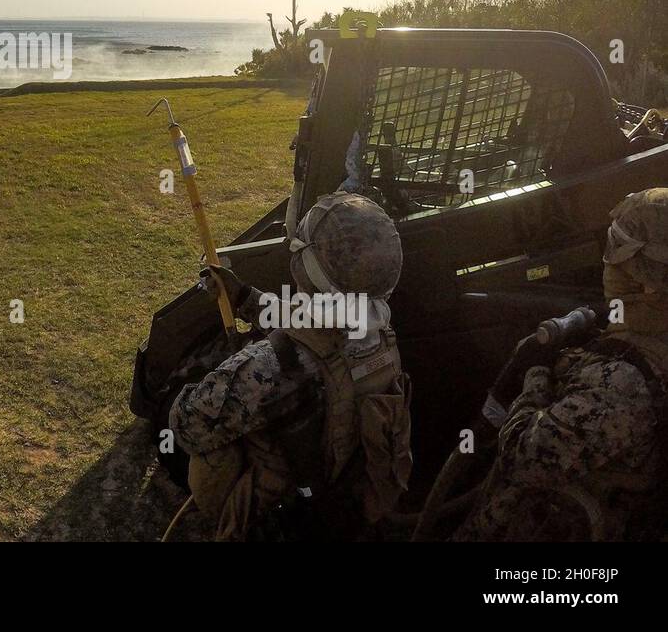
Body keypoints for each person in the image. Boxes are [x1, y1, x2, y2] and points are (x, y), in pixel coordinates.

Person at [169, 192, 412, 541]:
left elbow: (186, 423)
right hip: (352, 499)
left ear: (308, 268)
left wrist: (228, 371)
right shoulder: (380, 332)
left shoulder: (266, 366)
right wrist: (244, 299)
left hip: (285, 517)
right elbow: (316, 327)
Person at [455, 188, 668, 541]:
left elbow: (523, 458)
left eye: (615, 249)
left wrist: (535, 373)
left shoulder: (619, 384)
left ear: (642, 279)